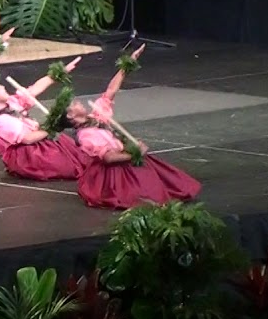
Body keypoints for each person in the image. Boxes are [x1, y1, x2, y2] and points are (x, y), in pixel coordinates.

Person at [65, 46, 201, 209]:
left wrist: (127, 65)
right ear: (71, 116)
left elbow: (110, 90)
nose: (78, 102)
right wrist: (134, 153)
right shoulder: (86, 136)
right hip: (114, 171)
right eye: (74, 104)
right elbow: (109, 158)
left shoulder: (96, 116)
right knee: (142, 193)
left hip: (123, 156)